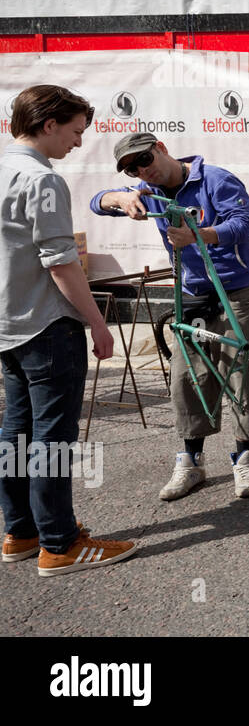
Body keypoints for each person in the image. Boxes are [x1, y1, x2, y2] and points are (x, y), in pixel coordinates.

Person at [90, 133, 249, 501]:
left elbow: (246, 225)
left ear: (161, 147)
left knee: (243, 372)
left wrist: (199, 235)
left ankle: (244, 456)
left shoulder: (215, 179)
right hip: (191, 294)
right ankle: (191, 460)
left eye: (145, 160)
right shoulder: (146, 190)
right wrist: (122, 198)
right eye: (132, 168)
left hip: (235, 291)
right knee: (189, 375)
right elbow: (97, 203)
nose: (143, 171)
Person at [1, 84, 137, 576]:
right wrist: (98, 323)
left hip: (8, 325)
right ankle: (59, 544)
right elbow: (61, 261)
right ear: (49, 123)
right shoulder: (42, 180)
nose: (78, 143)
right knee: (51, 441)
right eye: (76, 132)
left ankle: (21, 532)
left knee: (16, 434)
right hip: (47, 323)